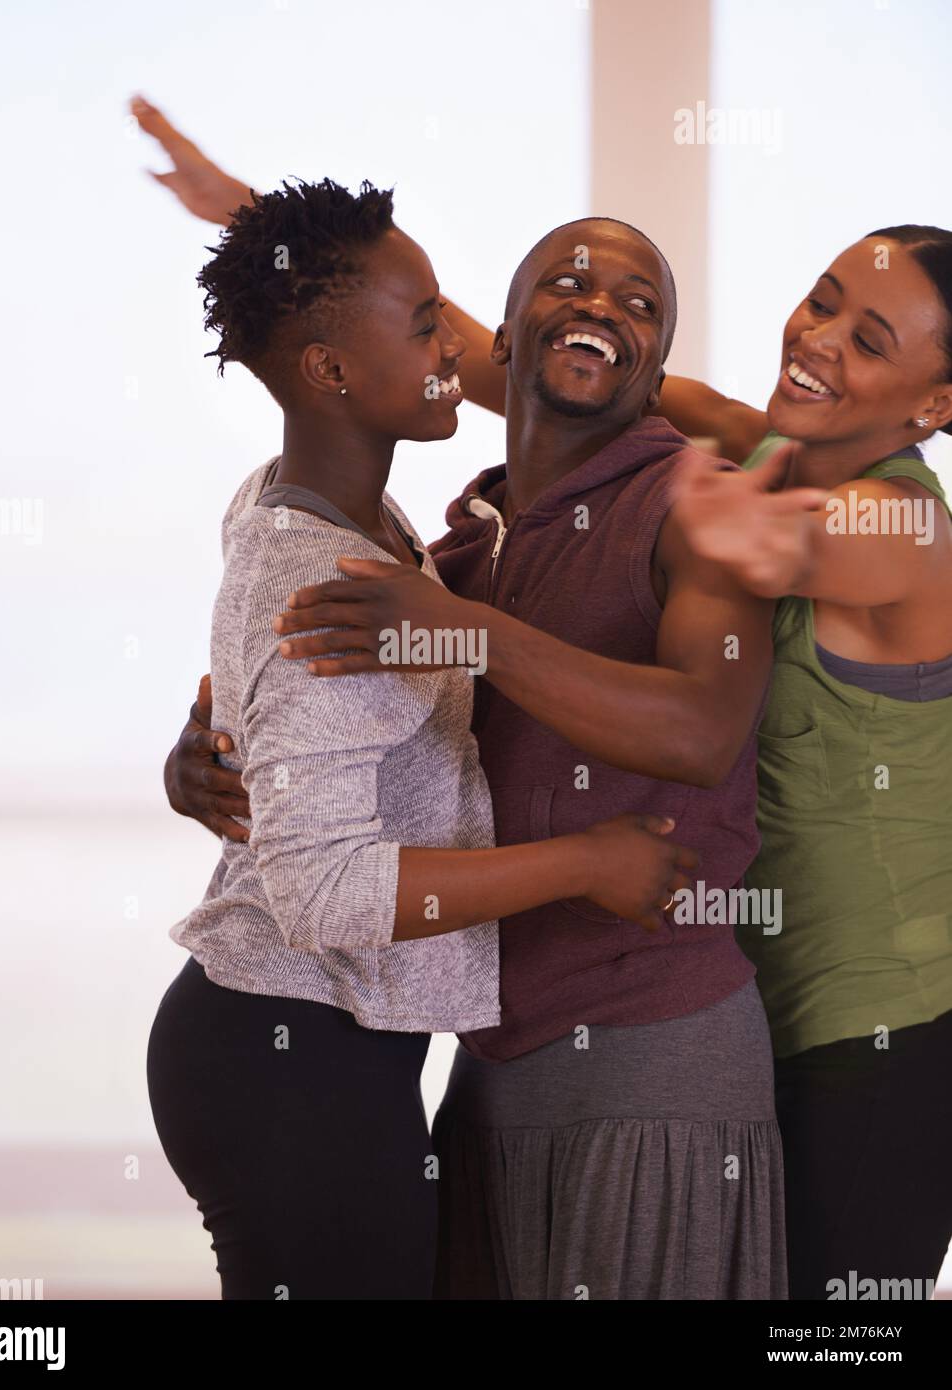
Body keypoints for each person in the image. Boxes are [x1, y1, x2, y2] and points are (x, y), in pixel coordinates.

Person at [140, 99, 788, 1300]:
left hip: (615, 1057)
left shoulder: (671, 506)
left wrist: (462, 633)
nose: (600, 306)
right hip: (417, 1061)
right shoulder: (432, 553)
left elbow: (701, 728)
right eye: (569, 283)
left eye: (642, 303)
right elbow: (321, 841)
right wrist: (204, 749)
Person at [666, 225, 952, 1300]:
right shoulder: (773, 452)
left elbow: (803, 543)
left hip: (890, 1047)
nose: (819, 338)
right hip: (764, 1027)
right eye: (821, 300)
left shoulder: (906, 528)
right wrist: (272, 230)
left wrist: (728, 522)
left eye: (868, 338)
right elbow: (550, 357)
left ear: (934, 404)